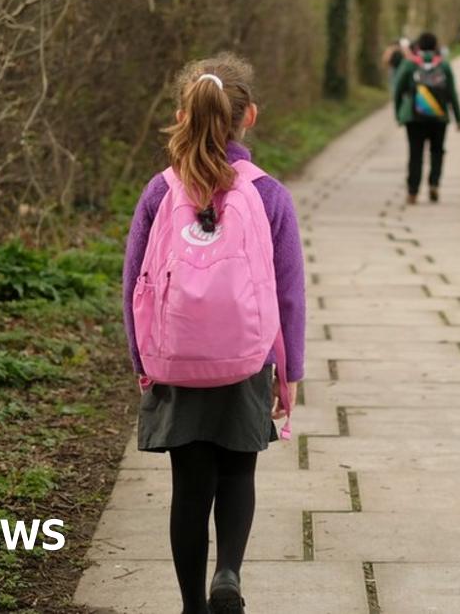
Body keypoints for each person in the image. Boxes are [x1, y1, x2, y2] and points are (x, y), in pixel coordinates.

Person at [122, 53, 306, 614]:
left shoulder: (160, 191)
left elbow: (135, 281)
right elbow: (290, 292)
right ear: (248, 116)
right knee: (237, 472)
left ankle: (190, 607)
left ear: (183, 115)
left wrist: (141, 358)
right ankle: (227, 573)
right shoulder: (269, 194)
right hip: (246, 358)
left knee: (190, 486)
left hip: (175, 358)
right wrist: (289, 371)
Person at [392, 31, 460, 205]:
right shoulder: (444, 66)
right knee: (437, 151)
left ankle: (413, 191)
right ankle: (434, 184)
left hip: (414, 118)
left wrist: (399, 114)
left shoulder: (409, 65)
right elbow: (452, 93)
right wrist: (458, 118)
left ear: (418, 46)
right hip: (439, 117)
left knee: (415, 153)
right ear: (435, 45)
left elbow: (397, 91)